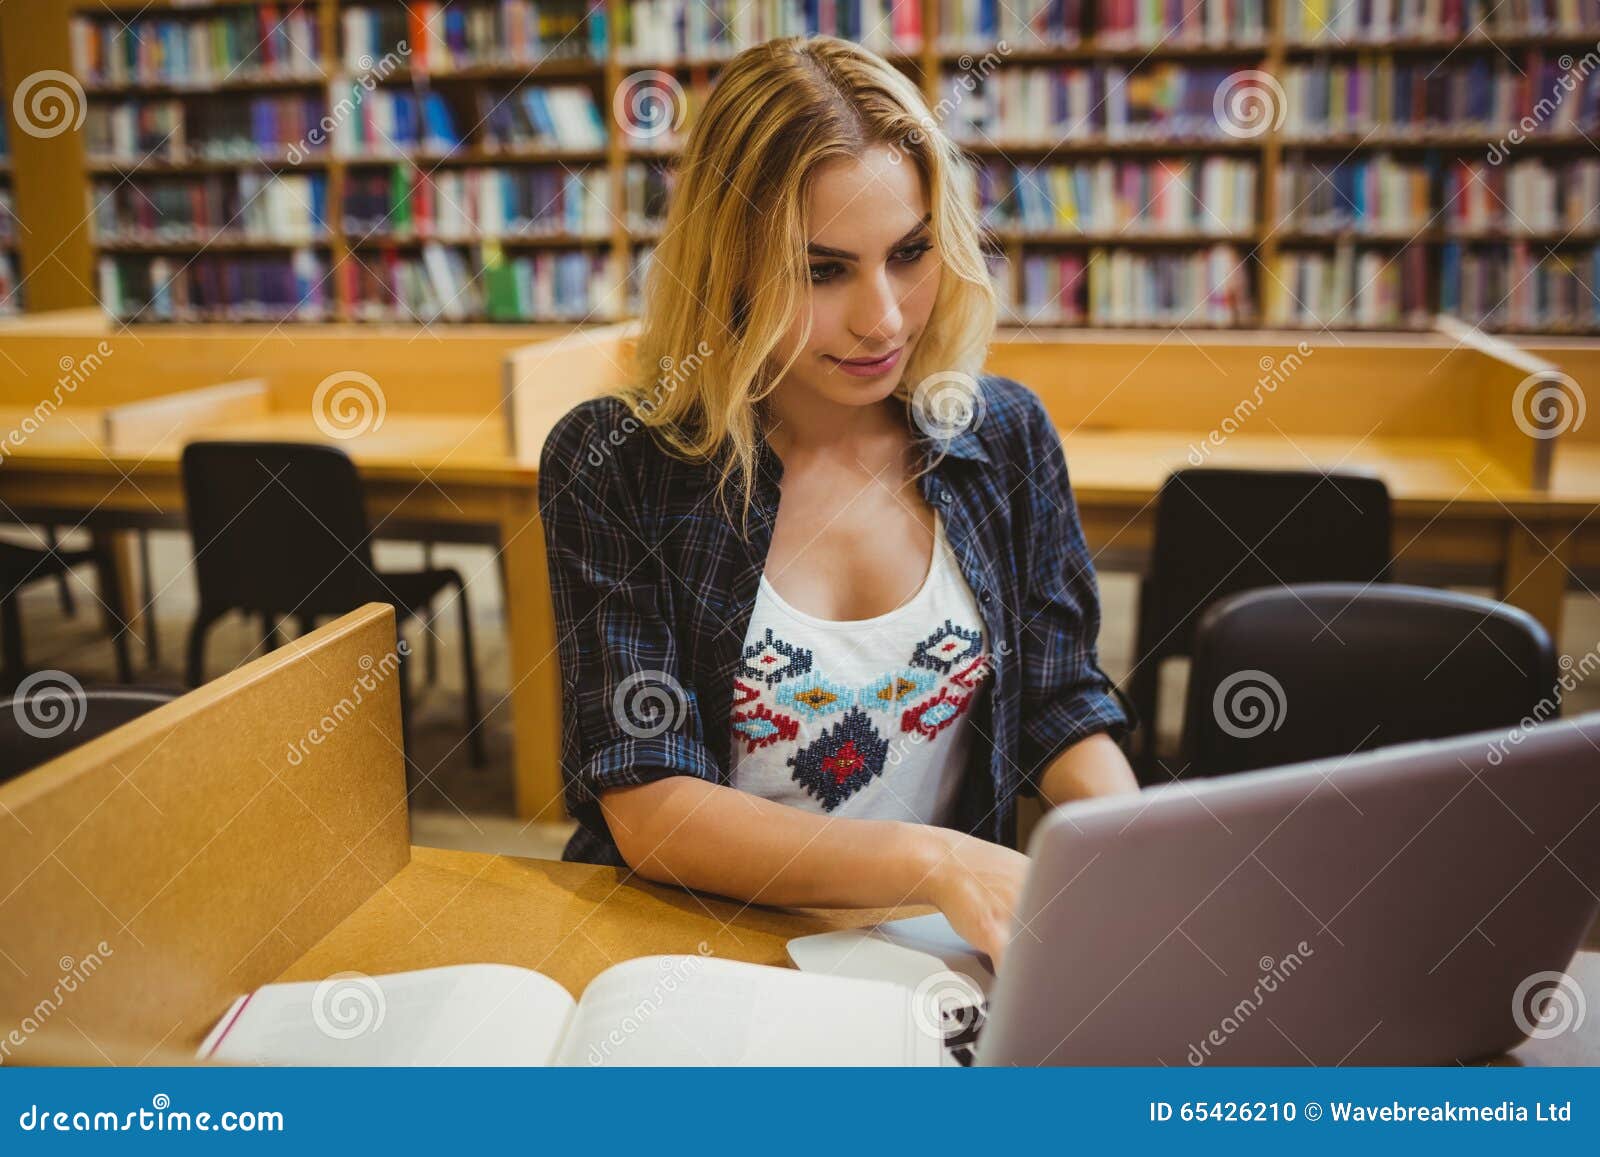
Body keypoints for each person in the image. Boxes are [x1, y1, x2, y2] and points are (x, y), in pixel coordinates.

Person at [537, 35, 1138, 967]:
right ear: (729, 265)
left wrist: (1142, 857)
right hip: (696, 959)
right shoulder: (617, 465)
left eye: (910, 253)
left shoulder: (1005, 435)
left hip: (943, 963)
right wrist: (933, 861)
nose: (885, 318)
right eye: (822, 270)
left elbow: (1062, 701)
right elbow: (651, 805)